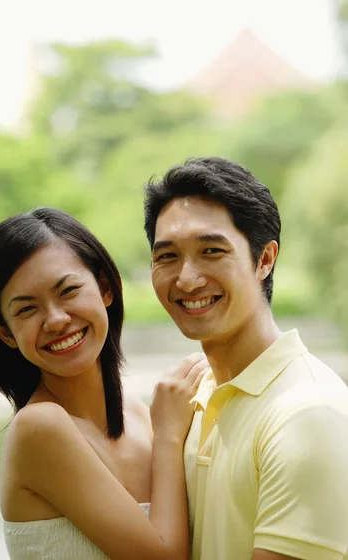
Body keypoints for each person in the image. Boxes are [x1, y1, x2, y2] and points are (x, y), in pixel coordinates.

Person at [0, 207, 208, 560]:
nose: (56, 320)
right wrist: (170, 437)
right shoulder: (39, 427)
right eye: (27, 309)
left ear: (105, 288)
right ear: (4, 332)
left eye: (68, 291)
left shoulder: (139, 414)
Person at [144, 157, 348, 560]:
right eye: (167, 256)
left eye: (211, 250)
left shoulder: (307, 414)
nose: (186, 278)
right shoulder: (190, 396)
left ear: (264, 259)